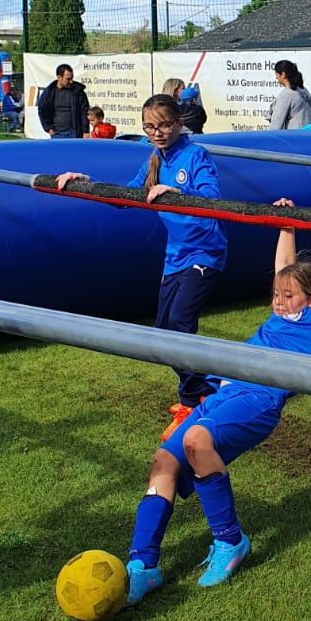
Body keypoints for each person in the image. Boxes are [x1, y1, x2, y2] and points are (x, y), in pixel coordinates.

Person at [122, 204, 311, 605]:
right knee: (164, 461)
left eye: (287, 296)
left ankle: (230, 542)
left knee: (196, 443)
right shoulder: (278, 314)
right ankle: (143, 566)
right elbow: (284, 265)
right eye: (276, 294)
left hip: (260, 400)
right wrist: (285, 223)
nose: (278, 300)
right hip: (224, 393)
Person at [55, 93, 227, 413]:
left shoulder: (196, 155)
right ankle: (205, 385)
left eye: (164, 125)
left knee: (180, 320)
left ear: (178, 123)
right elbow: (128, 196)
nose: (157, 133)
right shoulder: (155, 160)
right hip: (175, 255)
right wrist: (87, 183)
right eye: (150, 127)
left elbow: (212, 198)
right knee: (163, 333)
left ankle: (194, 396)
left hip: (204, 252)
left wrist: (178, 192)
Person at [37, 64, 90, 139]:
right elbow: (42, 110)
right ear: (59, 77)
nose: (71, 81)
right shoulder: (49, 92)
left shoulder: (78, 91)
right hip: (57, 133)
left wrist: (85, 131)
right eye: (68, 79)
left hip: (74, 133)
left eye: (72, 78)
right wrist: (48, 127)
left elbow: (84, 111)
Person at [268, 60, 311, 129]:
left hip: (294, 137)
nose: (276, 78)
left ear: (283, 75)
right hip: (310, 135)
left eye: (276, 74)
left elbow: (276, 124)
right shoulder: (304, 90)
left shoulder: (286, 95)